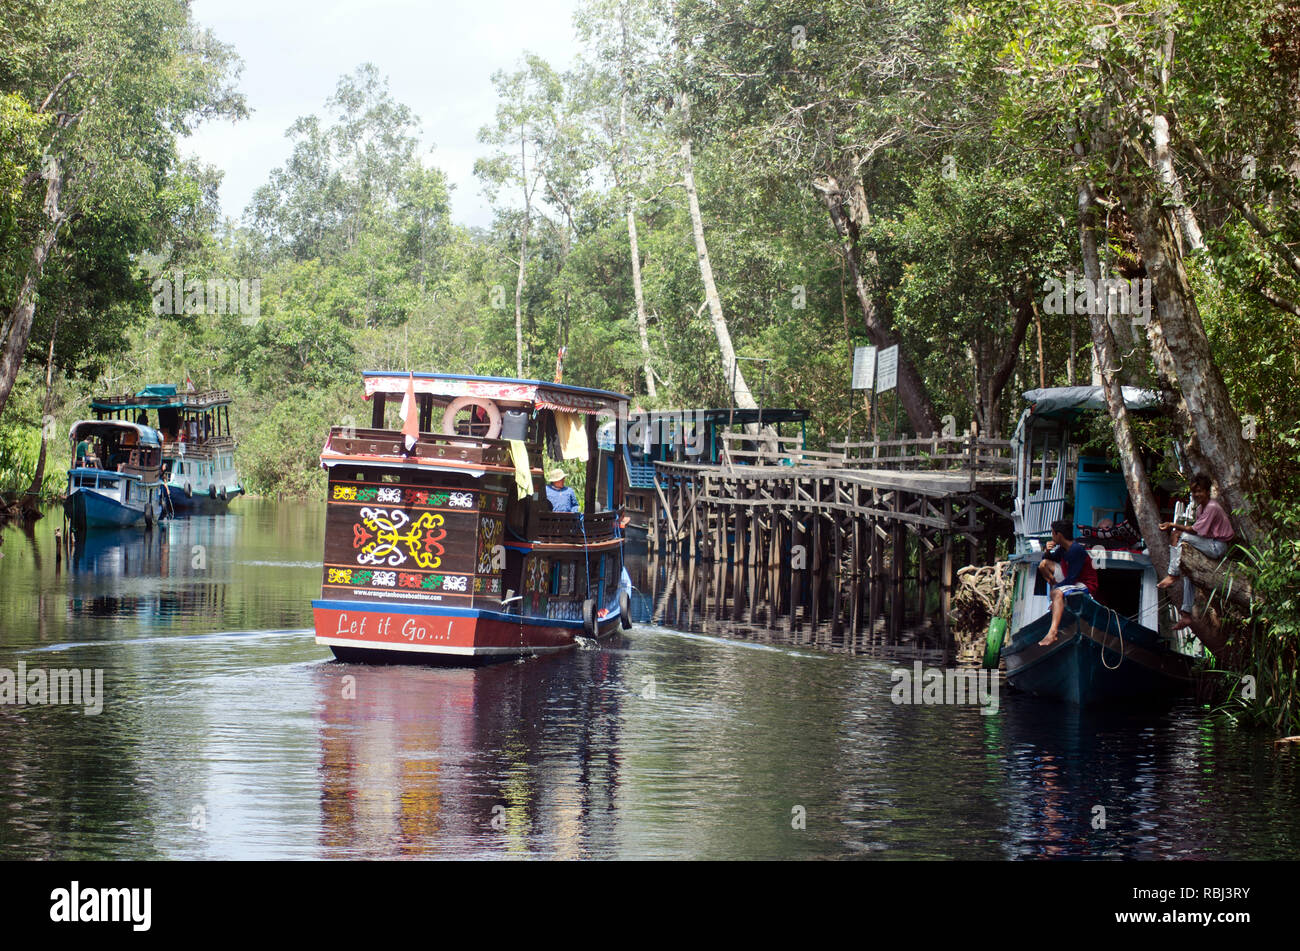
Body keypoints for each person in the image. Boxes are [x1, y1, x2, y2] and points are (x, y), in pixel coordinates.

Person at [1156, 474, 1234, 630]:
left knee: (1177, 534)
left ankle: (1172, 574)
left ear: (1207, 491)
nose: (1196, 495)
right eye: (1194, 492)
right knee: (1189, 572)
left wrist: (1172, 524)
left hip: (1217, 547)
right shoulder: (1200, 509)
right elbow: (1199, 533)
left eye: (1200, 491)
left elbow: (1194, 530)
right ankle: (1186, 614)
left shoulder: (1212, 507)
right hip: (1208, 543)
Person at [1036, 519, 1100, 646]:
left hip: (1085, 584)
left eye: (1053, 533)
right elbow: (1051, 560)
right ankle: (1056, 599)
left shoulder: (1076, 550)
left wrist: (1056, 592)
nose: (1052, 536)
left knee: (1057, 593)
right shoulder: (1063, 548)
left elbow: (1072, 579)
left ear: (1058, 535)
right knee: (1043, 564)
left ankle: (1052, 632)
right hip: (1071, 580)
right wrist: (1047, 551)